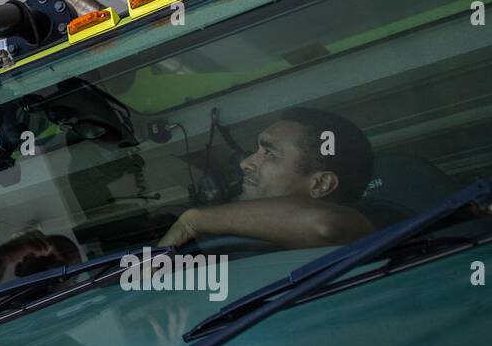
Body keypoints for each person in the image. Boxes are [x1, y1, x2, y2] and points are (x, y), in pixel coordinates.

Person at [158, 107, 375, 250]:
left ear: (321, 184)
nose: (245, 163)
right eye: (257, 150)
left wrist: (194, 220)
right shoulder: (250, 241)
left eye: (269, 153)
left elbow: (327, 225)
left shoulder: (356, 230)